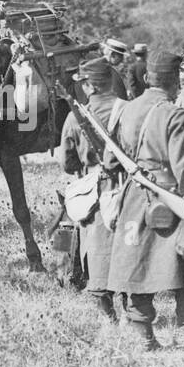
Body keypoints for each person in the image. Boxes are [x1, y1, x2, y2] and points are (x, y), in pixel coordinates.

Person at [103, 50, 184, 354]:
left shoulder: (125, 109)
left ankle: (143, 338)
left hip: (133, 198)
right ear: (174, 80)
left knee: (136, 269)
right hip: (169, 201)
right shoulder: (174, 114)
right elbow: (183, 168)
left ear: (148, 78)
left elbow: (111, 160)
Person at [59, 56, 125, 323]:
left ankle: (108, 314)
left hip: (95, 193)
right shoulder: (128, 110)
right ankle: (134, 312)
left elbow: (67, 163)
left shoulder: (75, 118)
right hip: (129, 188)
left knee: (92, 249)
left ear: (89, 86)